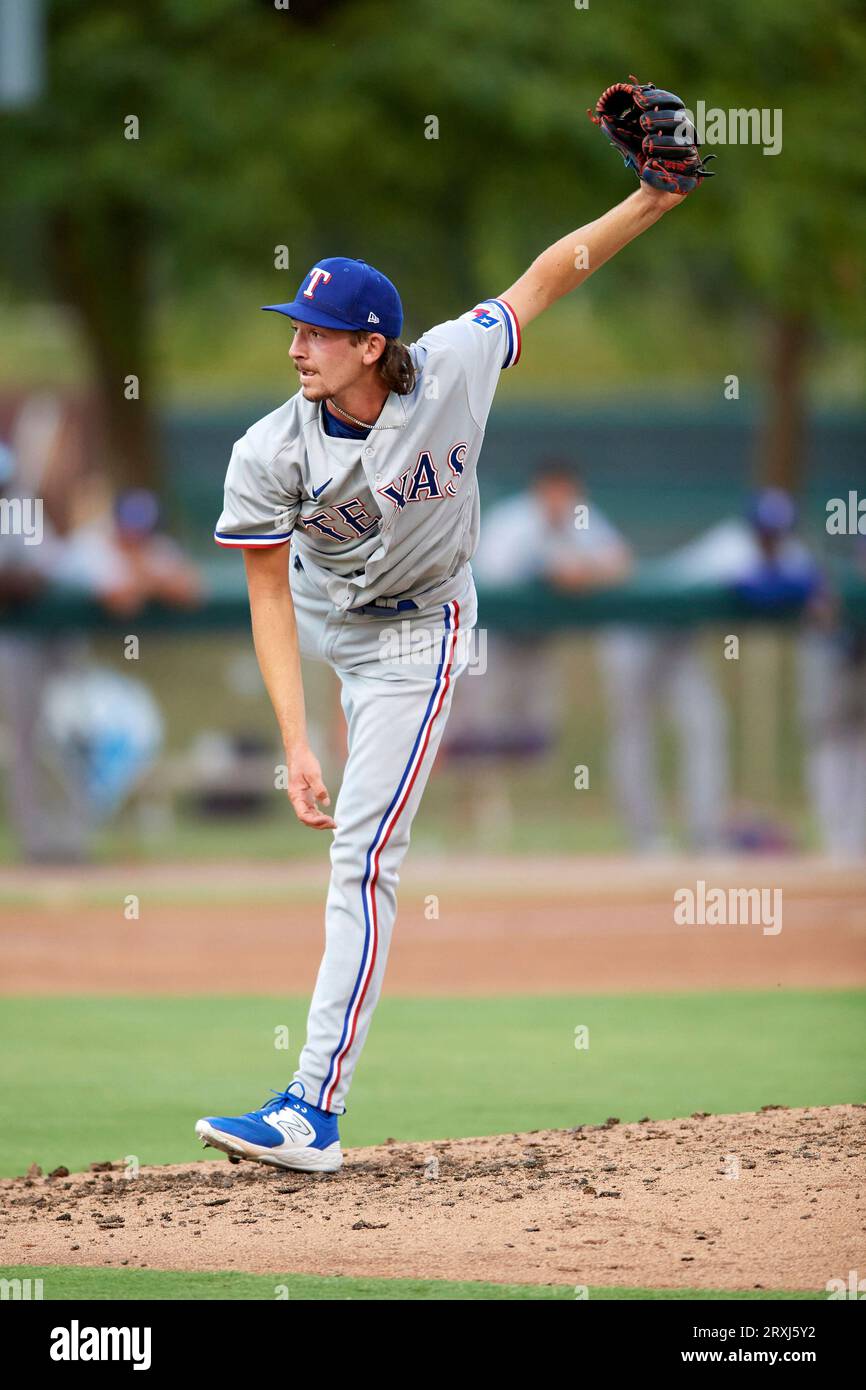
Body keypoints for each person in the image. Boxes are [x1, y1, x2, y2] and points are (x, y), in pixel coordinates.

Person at [196, 174, 695, 1174]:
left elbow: (547, 275)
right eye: (293, 327)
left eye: (316, 331)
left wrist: (653, 197)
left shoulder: (457, 363)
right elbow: (264, 596)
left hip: (424, 633)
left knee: (364, 856)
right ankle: (312, 1104)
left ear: (370, 346)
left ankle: (312, 1107)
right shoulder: (267, 452)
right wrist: (294, 740)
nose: (295, 345)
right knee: (358, 848)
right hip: (335, 629)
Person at [442, 461, 632, 838]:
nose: (561, 500)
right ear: (539, 490)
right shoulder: (513, 521)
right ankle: (470, 819)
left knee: (533, 740)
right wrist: (550, 571)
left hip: (536, 644)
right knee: (477, 734)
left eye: (568, 492)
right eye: (554, 491)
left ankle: (523, 828)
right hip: (489, 641)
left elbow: (620, 562)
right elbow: (492, 582)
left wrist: (583, 573)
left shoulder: (582, 518)